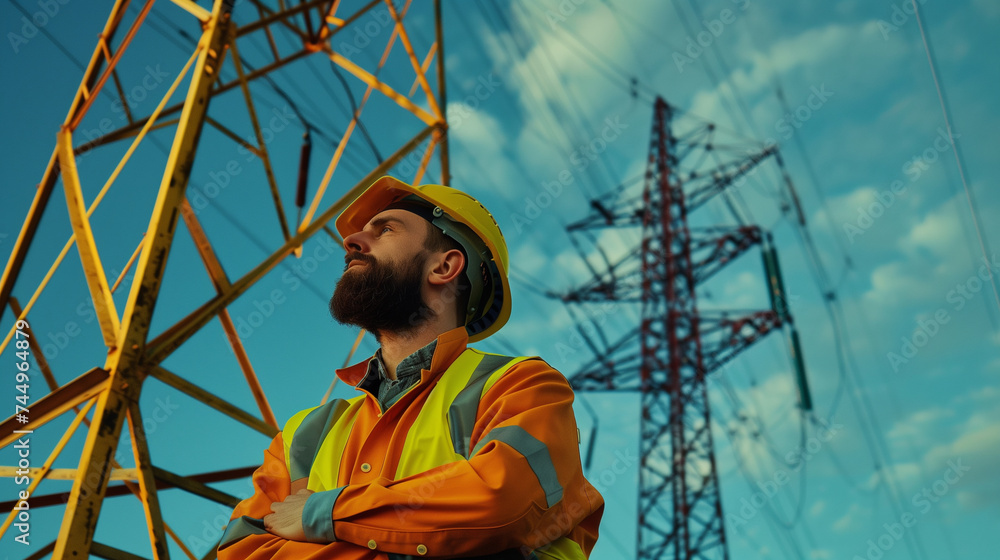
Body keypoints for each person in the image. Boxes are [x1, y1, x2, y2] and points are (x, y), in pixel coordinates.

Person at [218, 176, 604, 559]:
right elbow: (240, 549)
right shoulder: (302, 436)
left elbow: (505, 503)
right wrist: (418, 538)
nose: (351, 242)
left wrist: (325, 514)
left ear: (445, 266)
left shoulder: (521, 386)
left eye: (385, 229)